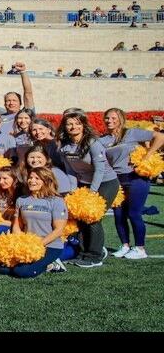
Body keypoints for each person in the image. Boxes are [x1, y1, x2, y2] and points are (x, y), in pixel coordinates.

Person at [58, 109, 120, 268]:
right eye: (69, 124)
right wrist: (73, 191)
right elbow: (71, 170)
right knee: (81, 218)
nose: (73, 127)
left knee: (92, 218)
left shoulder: (92, 142)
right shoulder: (65, 146)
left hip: (105, 182)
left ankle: (95, 256)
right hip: (83, 184)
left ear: (83, 125)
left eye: (77, 123)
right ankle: (84, 252)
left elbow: (99, 170)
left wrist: (92, 192)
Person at [100, 108, 164, 260]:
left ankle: (140, 248)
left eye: (113, 118)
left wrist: (148, 154)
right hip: (116, 180)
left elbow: (160, 137)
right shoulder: (102, 140)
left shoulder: (131, 133)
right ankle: (125, 246)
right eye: (107, 118)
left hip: (136, 177)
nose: (109, 121)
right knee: (118, 214)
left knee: (134, 213)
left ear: (121, 119)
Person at [0, 167, 68, 278]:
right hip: (27, 244)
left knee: (23, 272)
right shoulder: (22, 200)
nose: (32, 180)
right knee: (2, 268)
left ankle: (52, 264)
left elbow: (59, 230)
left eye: (37, 178)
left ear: (46, 181)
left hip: (50, 245)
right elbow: (17, 225)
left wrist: (39, 244)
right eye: (30, 177)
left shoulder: (57, 201)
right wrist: (20, 243)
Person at [0, 62, 35, 134]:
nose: (11, 103)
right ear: (4, 104)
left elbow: (28, 93)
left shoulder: (25, 114)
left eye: (14, 100)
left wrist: (23, 72)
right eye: (8, 101)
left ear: (20, 103)